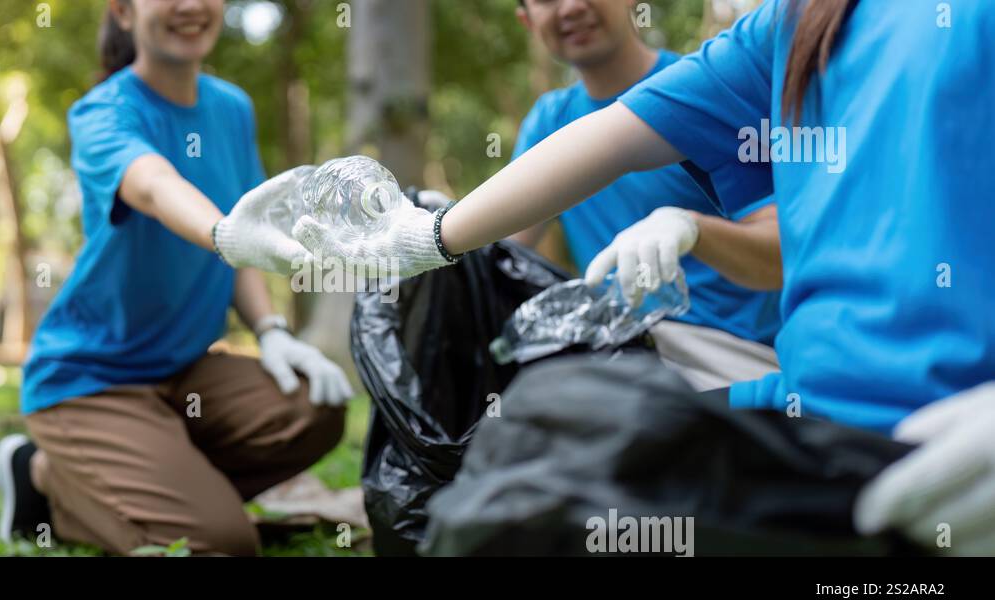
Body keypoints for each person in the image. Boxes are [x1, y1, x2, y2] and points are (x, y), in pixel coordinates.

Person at [292, 0, 995, 554]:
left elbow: (775, 242)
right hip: (806, 418)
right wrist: (424, 236)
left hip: (932, 421)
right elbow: (607, 141)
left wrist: (688, 227)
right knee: (536, 443)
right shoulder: (791, 26)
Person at [0, 0, 352, 557]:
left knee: (314, 408)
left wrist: (273, 331)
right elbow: (156, 187)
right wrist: (223, 233)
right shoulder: (103, 112)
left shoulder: (232, 108)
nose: (190, 5)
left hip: (185, 373)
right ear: (124, 11)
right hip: (92, 380)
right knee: (218, 543)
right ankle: (46, 480)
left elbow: (245, 224)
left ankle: (161, 481)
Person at [509, 0, 783, 390]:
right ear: (527, 21)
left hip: (732, 361)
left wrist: (692, 230)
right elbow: (503, 253)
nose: (570, 7)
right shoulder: (549, 123)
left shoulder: (706, 92)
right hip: (620, 357)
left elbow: (781, 257)